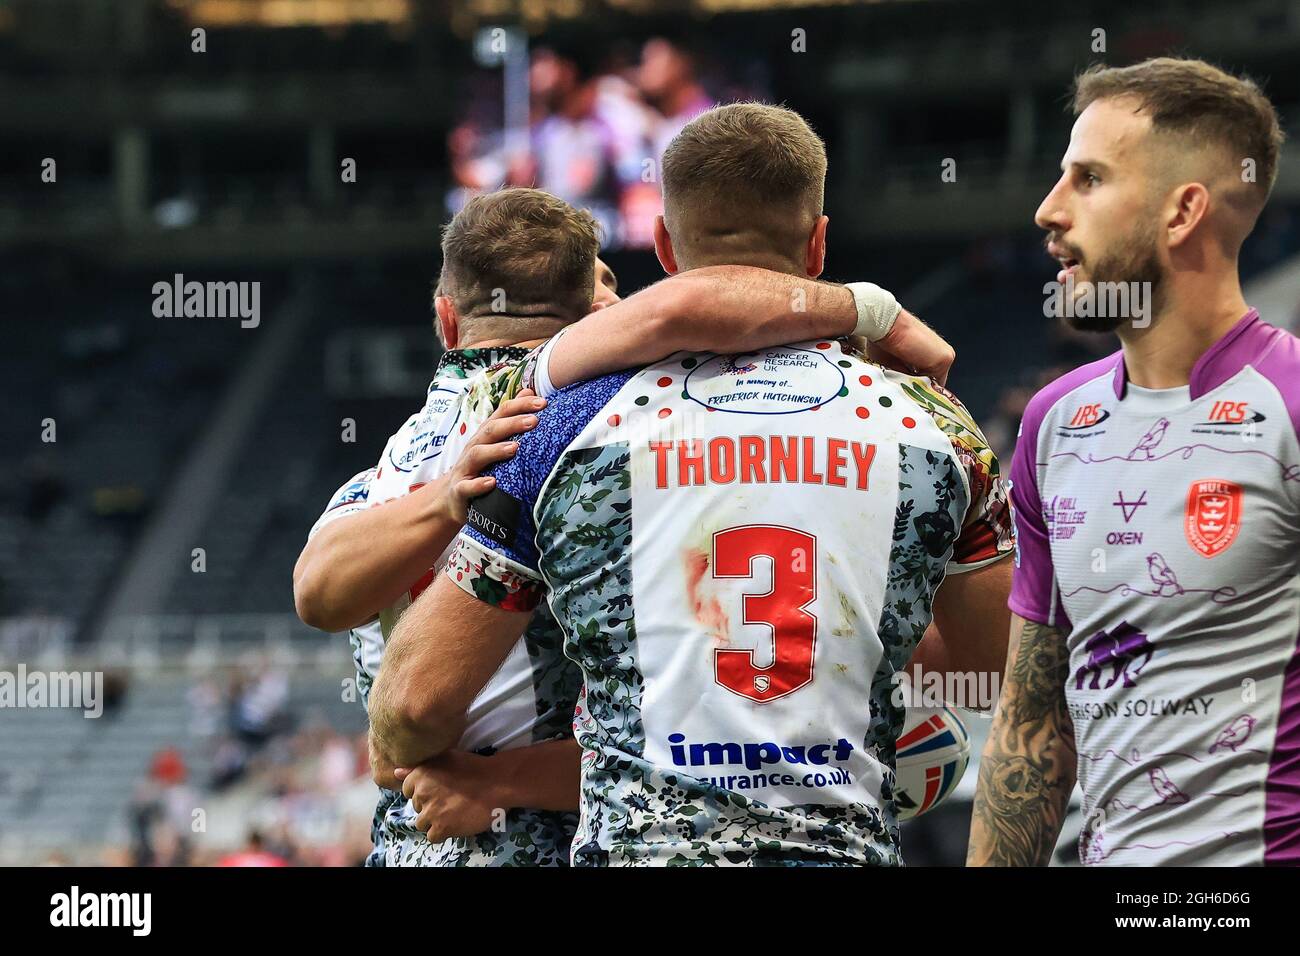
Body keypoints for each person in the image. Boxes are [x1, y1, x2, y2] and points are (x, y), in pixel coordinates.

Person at [368, 103, 1014, 866]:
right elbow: (990, 661)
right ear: (818, 243)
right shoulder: (937, 426)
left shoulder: (564, 419)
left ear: (666, 245)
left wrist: (445, 760)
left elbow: (413, 705)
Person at [968, 57, 1299, 866]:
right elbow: (1030, 725)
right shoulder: (1053, 423)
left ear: (1183, 211)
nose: (1048, 212)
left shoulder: (1290, 405)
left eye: (1087, 179)